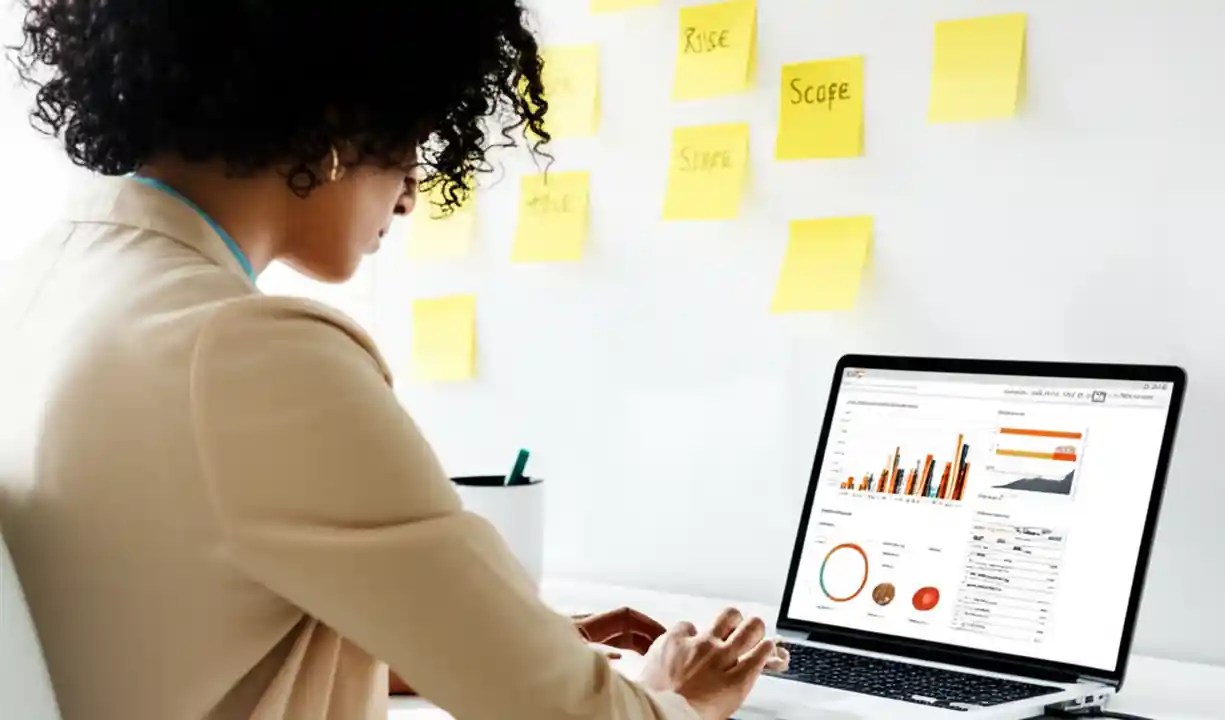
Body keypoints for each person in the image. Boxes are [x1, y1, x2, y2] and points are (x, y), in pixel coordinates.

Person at [0, 2, 786, 720]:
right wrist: (672, 697)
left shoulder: (49, 278)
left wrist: (482, 642)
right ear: (340, 121)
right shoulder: (250, 355)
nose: (411, 193)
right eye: (413, 140)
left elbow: (176, 613)